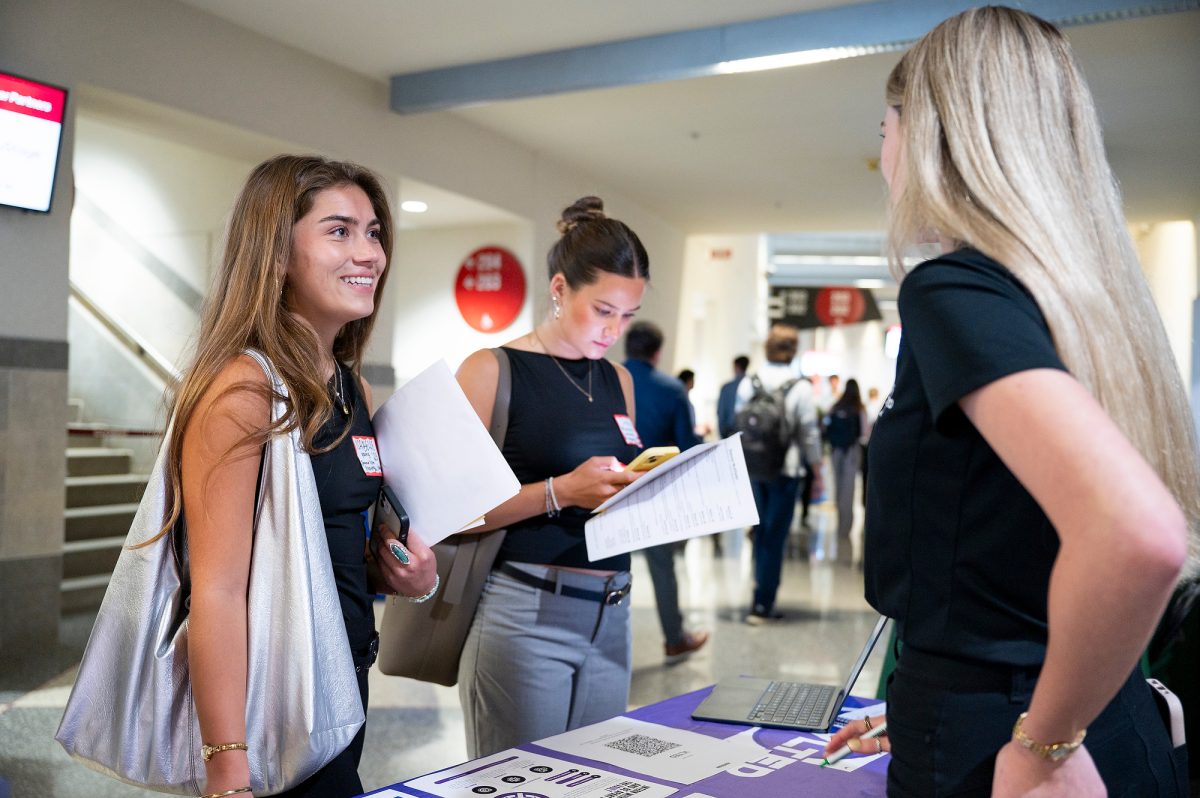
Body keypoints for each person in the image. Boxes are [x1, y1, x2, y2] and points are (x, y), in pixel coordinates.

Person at [825, 8, 1199, 796]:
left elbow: (1140, 535)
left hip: (1019, 742)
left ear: (928, 134)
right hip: (1107, 716)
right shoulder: (1090, 307)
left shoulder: (953, 287)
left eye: (885, 126)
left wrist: (1036, 741)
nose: (883, 151)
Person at [164, 155, 438, 797]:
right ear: (276, 255)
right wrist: (228, 766)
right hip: (271, 703)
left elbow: (330, 548)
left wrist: (406, 578)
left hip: (346, 679)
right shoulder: (244, 390)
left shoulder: (351, 386)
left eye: (374, 233)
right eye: (339, 231)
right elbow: (220, 592)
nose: (369, 252)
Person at [456, 196, 647, 758]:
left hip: (612, 613)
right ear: (560, 289)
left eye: (628, 316)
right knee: (520, 784)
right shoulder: (492, 369)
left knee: (598, 782)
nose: (614, 329)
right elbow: (452, 513)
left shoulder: (618, 380)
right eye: (603, 310)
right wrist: (560, 491)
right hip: (525, 614)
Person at [623, 321, 709, 664]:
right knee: (662, 567)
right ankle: (674, 638)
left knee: (603, 567)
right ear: (657, 353)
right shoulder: (671, 389)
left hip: (601, 488)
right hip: (653, 489)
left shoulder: (603, 378)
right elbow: (685, 447)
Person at [735, 324, 823, 624]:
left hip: (754, 469)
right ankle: (764, 601)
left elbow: (737, 423)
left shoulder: (750, 381)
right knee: (775, 535)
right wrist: (817, 468)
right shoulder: (799, 387)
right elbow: (809, 432)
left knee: (759, 531)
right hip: (787, 468)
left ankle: (757, 592)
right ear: (793, 350)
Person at [823, 378, 866, 543]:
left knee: (838, 488)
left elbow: (825, 427)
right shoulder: (859, 408)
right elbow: (864, 434)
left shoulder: (836, 406)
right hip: (851, 451)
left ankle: (840, 524)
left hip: (836, 451)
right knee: (848, 490)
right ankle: (845, 529)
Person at [716, 355, 749, 438]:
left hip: (729, 433)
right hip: (747, 434)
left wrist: (722, 434)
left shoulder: (727, 388)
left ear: (736, 366)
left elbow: (721, 412)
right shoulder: (752, 387)